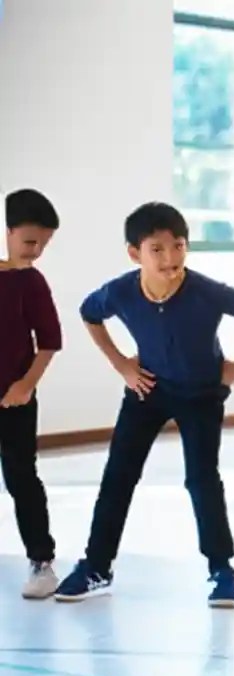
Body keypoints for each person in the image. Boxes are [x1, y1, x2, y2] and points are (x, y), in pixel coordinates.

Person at [54, 202, 234, 606]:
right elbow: (89, 313)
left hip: (200, 394)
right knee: (118, 476)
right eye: (156, 249)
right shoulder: (121, 291)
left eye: (178, 246)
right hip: (147, 391)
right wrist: (122, 364)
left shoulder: (206, 291)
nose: (170, 258)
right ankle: (96, 567)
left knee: (201, 479)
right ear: (134, 253)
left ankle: (222, 570)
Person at [1, 189, 62, 599]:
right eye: (29, 241)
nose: (36, 250)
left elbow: (50, 341)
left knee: (21, 477)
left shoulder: (32, 282)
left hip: (16, 401)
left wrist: (25, 385)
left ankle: (41, 560)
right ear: (6, 232)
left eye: (43, 243)